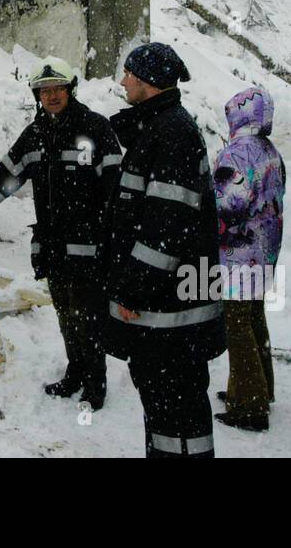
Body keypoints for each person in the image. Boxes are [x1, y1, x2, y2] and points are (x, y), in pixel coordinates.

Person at [0, 57, 122, 409]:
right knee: (66, 315)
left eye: (58, 89)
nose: (51, 96)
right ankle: (75, 373)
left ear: (70, 89)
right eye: (45, 91)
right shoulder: (35, 135)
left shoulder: (95, 128)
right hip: (53, 245)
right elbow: (7, 175)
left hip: (90, 246)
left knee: (89, 317)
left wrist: (112, 236)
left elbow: (115, 187)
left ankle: (95, 385)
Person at [106, 43, 225, 457]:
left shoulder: (171, 133)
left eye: (128, 75)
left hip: (171, 315)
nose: (122, 82)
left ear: (147, 82)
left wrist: (132, 290)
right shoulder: (160, 127)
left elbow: (164, 229)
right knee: (167, 413)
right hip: (168, 308)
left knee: (178, 414)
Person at [212, 86, 284, 432]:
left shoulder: (237, 153)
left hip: (237, 254)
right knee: (254, 317)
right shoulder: (269, 150)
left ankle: (251, 406)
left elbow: (229, 205)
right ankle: (258, 387)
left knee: (236, 324)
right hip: (265, 250)